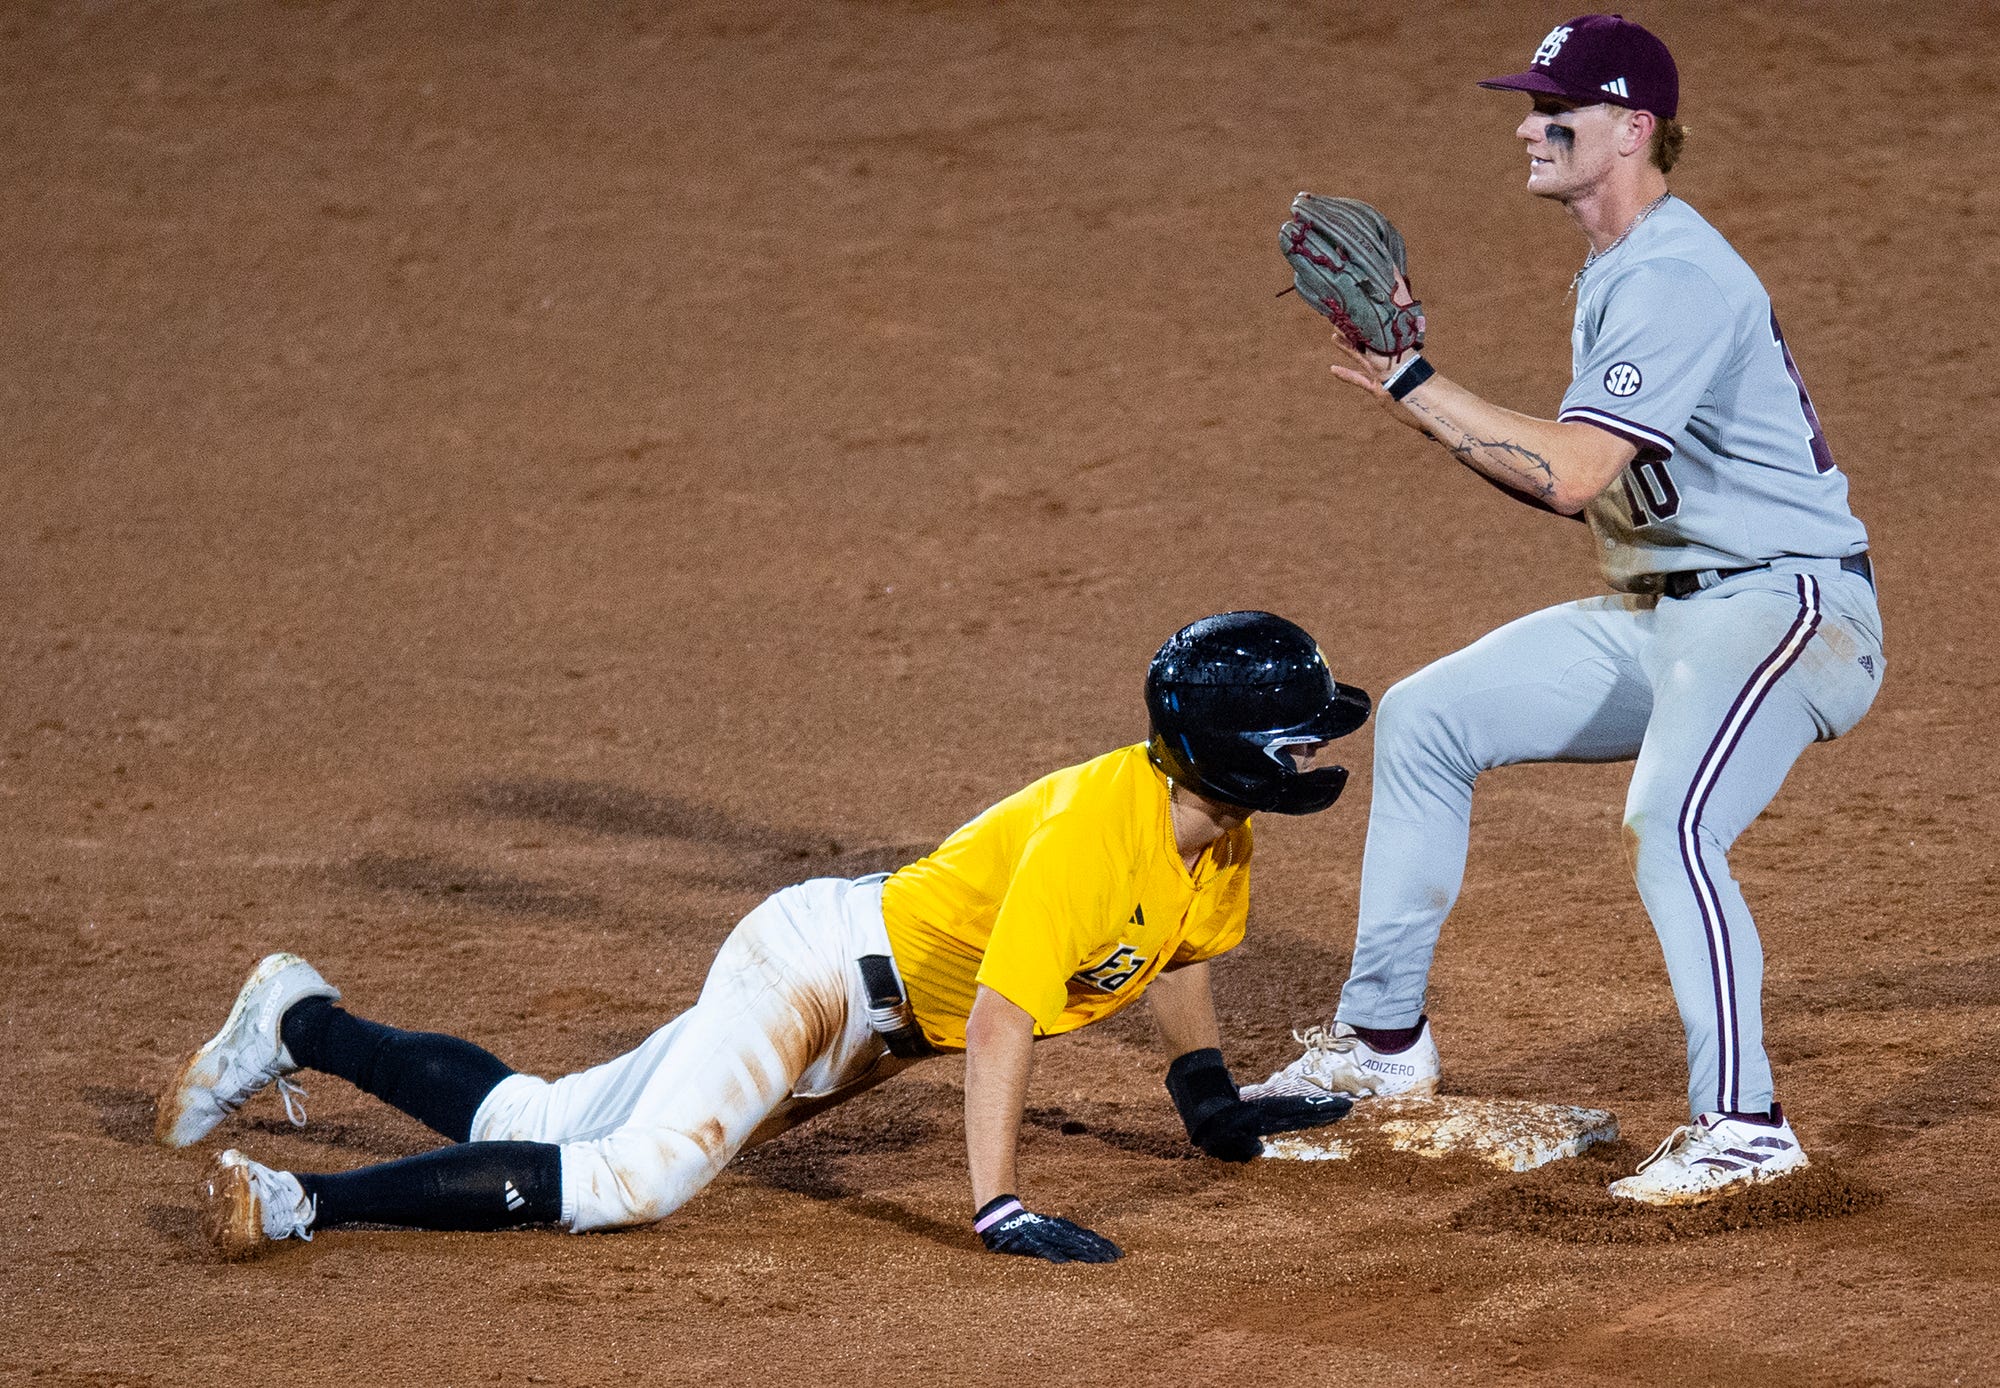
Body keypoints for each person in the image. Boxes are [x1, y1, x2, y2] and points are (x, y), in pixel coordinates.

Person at [157, 612, 1368, 1260]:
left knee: (544, 1120)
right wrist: (997, 1204)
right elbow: (1003, 1018)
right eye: (1296, 734)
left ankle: (299, 1017)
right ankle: (300, 1200)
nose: (1314, 748)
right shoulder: (1092, 836)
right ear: (1228, 749)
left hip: (866, 1023)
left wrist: (1206, 1099)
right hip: (814, 973)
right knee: (639, 1179)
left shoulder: (1213, 830)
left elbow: (1176, 954)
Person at [1245, 14, 1884, 1205]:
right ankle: (1380, 1041)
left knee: (1670, 824)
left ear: (1631, 128)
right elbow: (1559, 473)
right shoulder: (1615, 266)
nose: (1526, 129)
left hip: (1784, 610)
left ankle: (1743, 1123)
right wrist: (1410, 391)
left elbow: (1573, 475)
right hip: (1666, 613)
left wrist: (1418, 382)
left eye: (1555, 112)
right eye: (1529, 108)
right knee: (1428, 717)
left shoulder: (1673, 276)